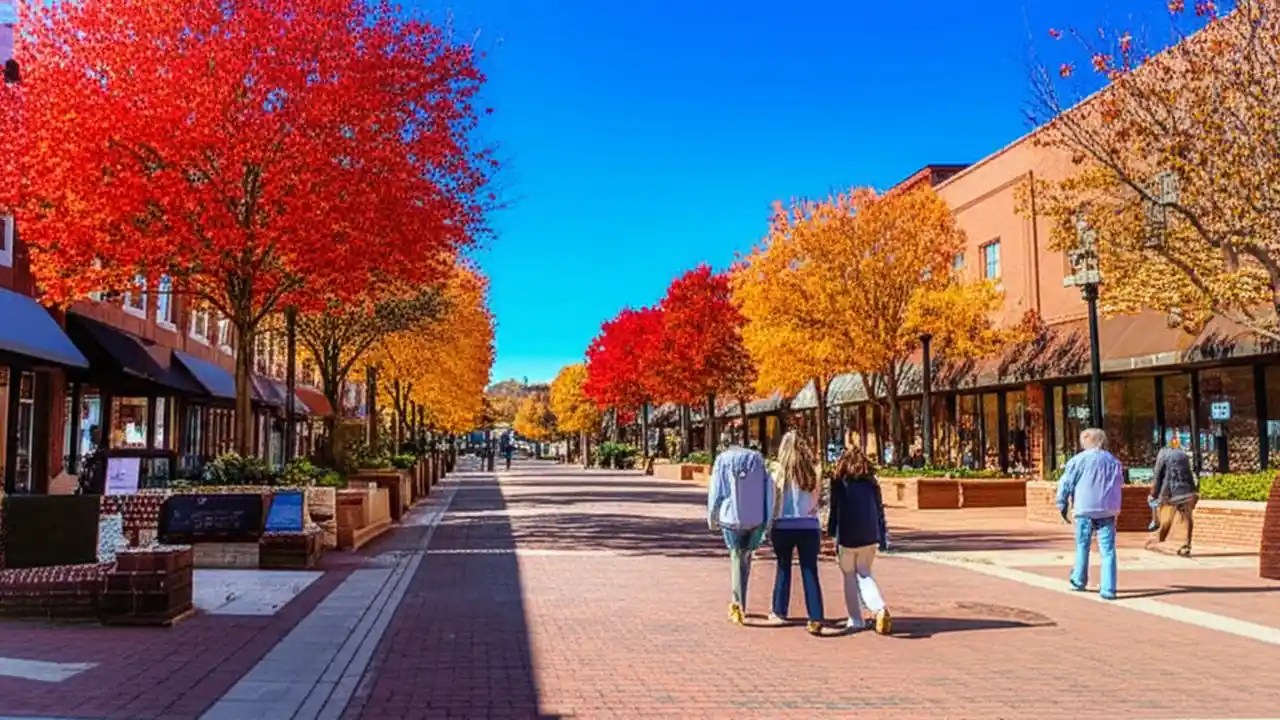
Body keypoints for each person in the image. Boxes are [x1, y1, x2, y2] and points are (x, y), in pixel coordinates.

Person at [827, 445, 892, 635]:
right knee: (865, 572)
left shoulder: (839, 482)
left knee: (849, 575)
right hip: (869, 534)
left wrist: (831, 533)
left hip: (847, 535)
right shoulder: (872, 483)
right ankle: (879, 608)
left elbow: (834, 510)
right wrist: (882, 536)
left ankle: (856, 619)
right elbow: (880, 510)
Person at [707, 446, 773, 626]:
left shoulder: (723, 460)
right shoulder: (758, 460)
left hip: (730, 517)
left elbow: (716, 491)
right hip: (754, 517)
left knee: (736, 557)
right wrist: (767, 519)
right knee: (746, 557)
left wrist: (712, 516)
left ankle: (737, 603)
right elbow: (766, 490)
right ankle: (741, 601)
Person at [1056, 428, 1124, 600]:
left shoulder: (1078, 460)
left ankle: (1079, 580)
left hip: (1084, 508)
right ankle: (1109, 588)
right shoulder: (1114, 461)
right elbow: (1119, 483)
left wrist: (1062, 502)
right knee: (1108, 550)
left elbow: (1066, 483)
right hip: (1107, 509)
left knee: (1082, 545)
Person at [767, 431, 825, 635]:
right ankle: (816, 616)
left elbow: (772, 501)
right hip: (809, 525)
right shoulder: (813, 471)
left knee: (783, 567)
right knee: (810, 569)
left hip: (783, 524)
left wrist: (767, 525)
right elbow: (816, 499)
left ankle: (779, 611)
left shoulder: (777, 472)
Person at [1151, 435, 1199, 557]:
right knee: (1186, 518)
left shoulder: (1163, 454)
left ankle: (1159, 541)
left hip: (1170, 492)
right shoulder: (1183, 455)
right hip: (1187, 492)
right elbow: (1190, 474)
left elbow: (1158, 475)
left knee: (1165, 518)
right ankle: (1185, 544)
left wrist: (1154, 493)